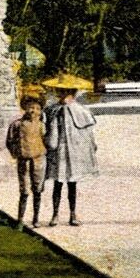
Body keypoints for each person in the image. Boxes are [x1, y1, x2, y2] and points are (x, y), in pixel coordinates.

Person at [43, 83, 99, 226]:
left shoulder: (80, 110)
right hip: (58, 150)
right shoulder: (53, 109)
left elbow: (87, 132)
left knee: (72, 184)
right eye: (60, 92)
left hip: (73, 150)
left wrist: (91, 145)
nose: (62, 95)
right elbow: (45, 128)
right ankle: (55, 214)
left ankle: (72, 214)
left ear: (72, 93)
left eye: (66, 92)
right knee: (58, 183)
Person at [4, 96, 46, 229]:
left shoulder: (41, 125)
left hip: (38, 161)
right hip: (24, 161)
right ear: (25, 108)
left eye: (37, 108)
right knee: (24, 191)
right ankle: (20, 220)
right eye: (31, 107)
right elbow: (9, 141)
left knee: (37, 190)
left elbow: (46, 140)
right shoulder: (17, 124)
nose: (34, 111)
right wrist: (16, 153)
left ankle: (35, 219)